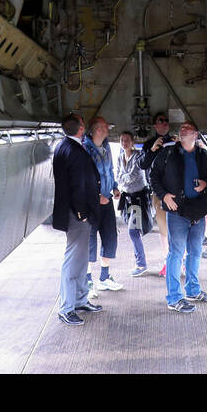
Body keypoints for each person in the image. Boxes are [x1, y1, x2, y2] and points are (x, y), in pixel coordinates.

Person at [150, 121, 207, 313]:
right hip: (177, 212)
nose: (182, 131)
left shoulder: (204, 155)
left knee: (195, 252)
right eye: (181, 129)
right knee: (176, 253)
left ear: (195, 134)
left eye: (187, 129)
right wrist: (164, 196)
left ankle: (192, 290)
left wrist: (206, 183)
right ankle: (174, 297)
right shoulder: (167, 154)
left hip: (198, 213)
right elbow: (154, 176)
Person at [52, 113, 103, 325]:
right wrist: (82, 213)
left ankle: (80, 300)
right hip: (77, 214)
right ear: (80, 129)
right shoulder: (71, 150)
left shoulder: (67, 146)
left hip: (77, 212)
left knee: (81, 259)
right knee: (73, 260)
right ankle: (66, 307)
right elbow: (75, 186)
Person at [83, 115, 123, 296]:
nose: (108, 130)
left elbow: (110, 170)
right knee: (90, 241)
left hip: (107, 201)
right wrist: (96, 196)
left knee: (110, 237)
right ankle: (88, 282)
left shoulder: (106, 146)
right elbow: (83, 178)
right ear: (97, 129)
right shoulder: (85, 149)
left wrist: (114, 188)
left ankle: (104, 278)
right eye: (105, 128)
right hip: (92, 204)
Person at [115, 130, 153, 276]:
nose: (124, 143)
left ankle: (141, 264)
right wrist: (123, 179)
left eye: (127, 140)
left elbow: (134, 175)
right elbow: (118, 176)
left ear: (132, 142)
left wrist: (122, 179)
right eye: (122, 140)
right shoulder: (119, 157)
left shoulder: (138, 156)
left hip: (138, 198)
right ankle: (140, 262)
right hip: (127, 198)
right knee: (132, 228)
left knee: (133, 231)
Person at [141, 111, 173, 274]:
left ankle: (179, 261)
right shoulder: (149, 144)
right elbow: (142, 165)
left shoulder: (175, 142)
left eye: (166, 121)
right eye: (161, 121)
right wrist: (153, 150)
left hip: (176, 191)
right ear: (155, 126)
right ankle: (168, 261)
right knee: (164, 228)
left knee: (179, 227)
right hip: (159, 192)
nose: (165, 123)